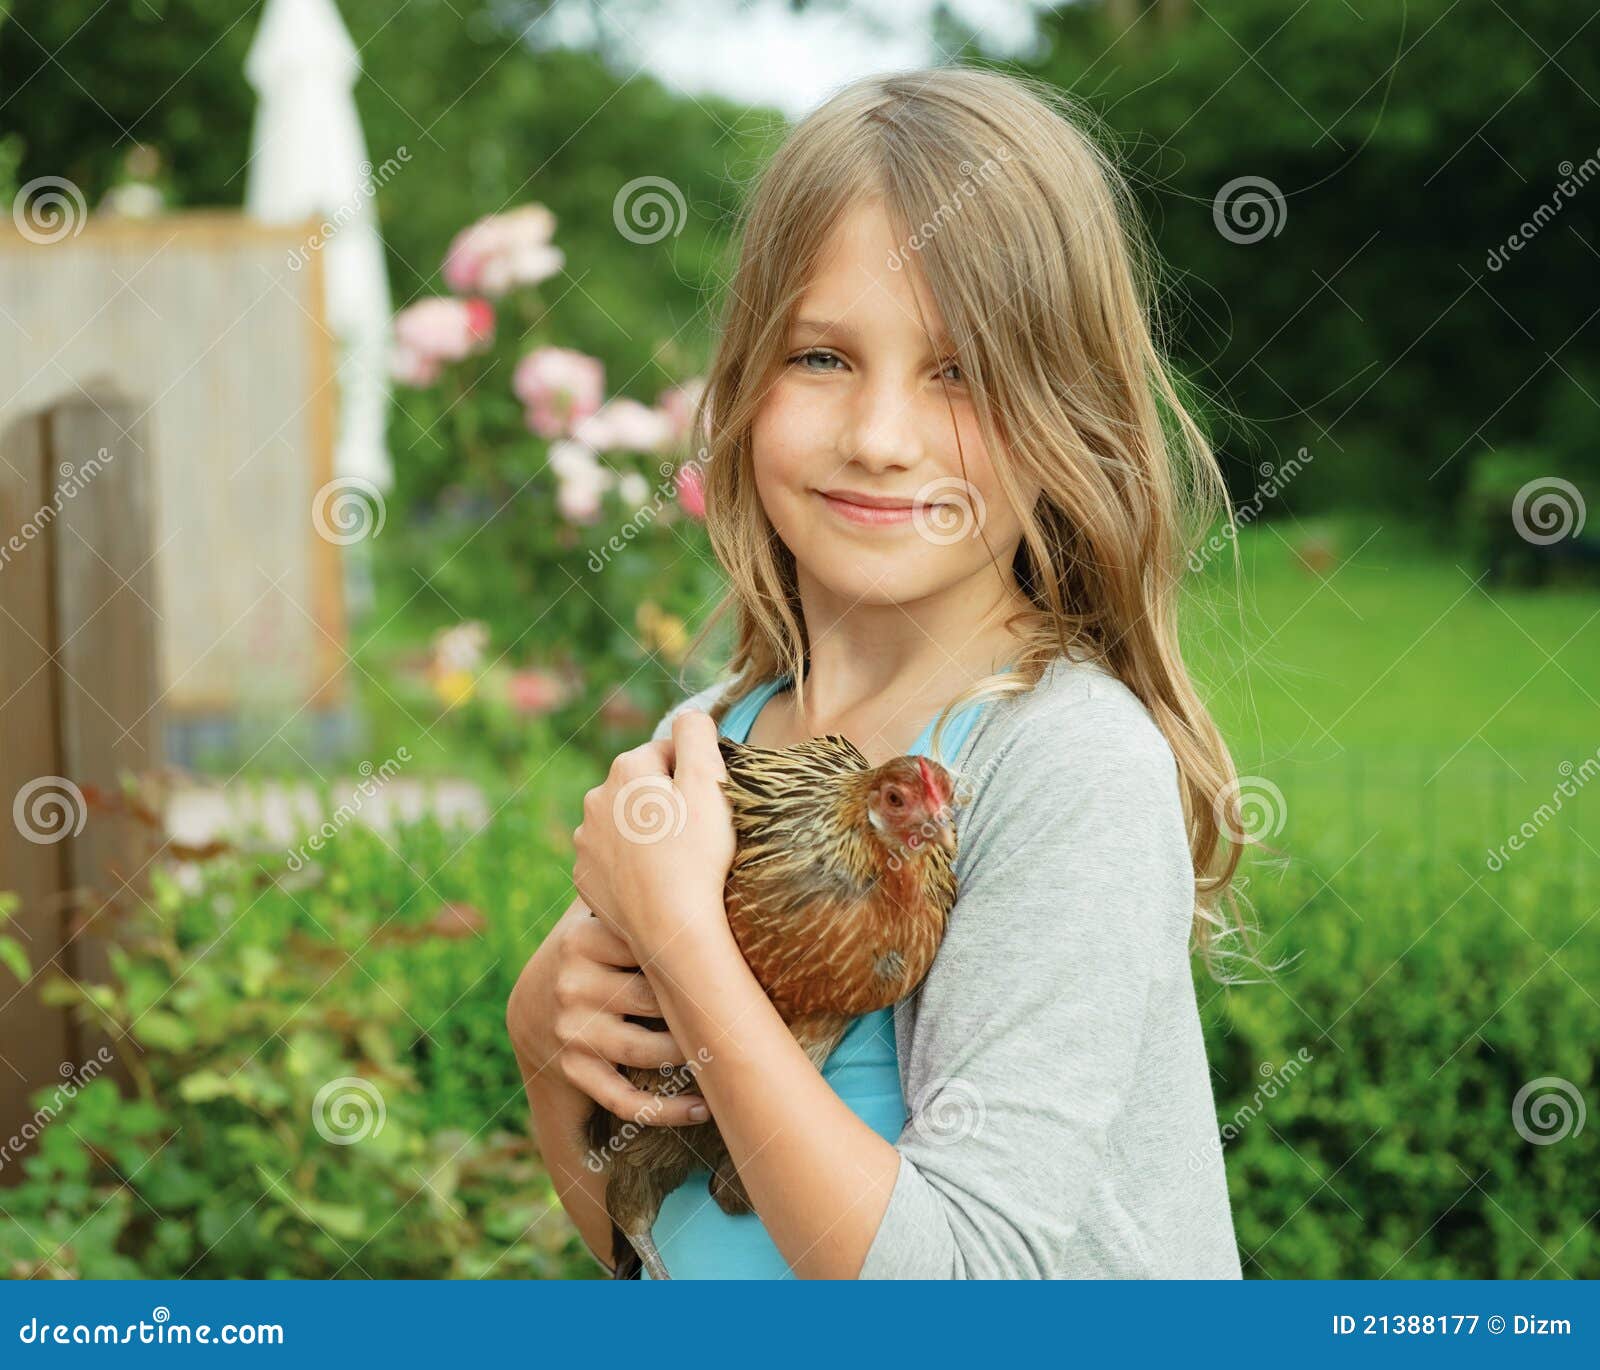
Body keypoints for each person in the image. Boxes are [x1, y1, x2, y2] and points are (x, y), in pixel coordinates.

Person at [508, 65, 1263, 1279]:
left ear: (1067, 407)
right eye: (820, 357)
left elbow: (959, 1286)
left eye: (959, 371)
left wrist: (687, 949)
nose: (879, 435)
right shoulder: (710, 737)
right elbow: (647, 1247)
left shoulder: (1062, 763)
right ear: (747, 375)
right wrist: (546, 1052)